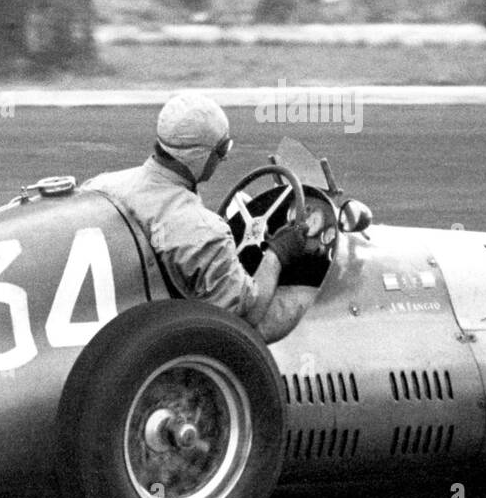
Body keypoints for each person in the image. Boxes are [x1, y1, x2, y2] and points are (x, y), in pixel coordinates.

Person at [84, 92, 315, 343]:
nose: (224, 157)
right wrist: (277, 254)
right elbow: (246, 315)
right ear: (203, 156)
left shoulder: (101, 184)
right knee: (307, 297)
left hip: (114, 314)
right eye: (223, 149)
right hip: (169, 335)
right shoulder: (203, 231)